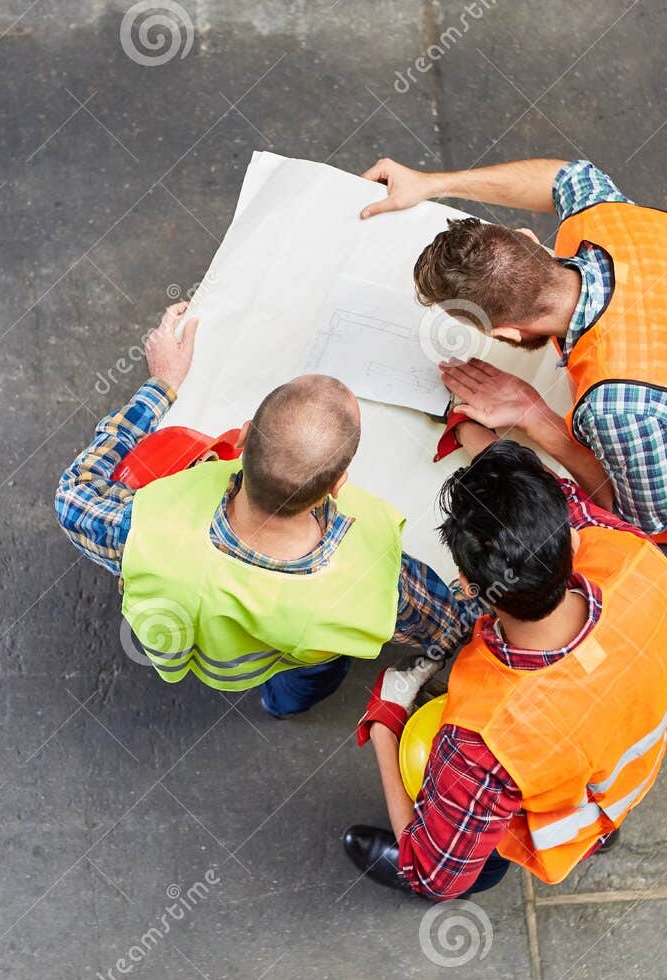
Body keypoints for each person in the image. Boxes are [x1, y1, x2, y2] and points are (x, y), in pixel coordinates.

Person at [359, 156, 667, 652]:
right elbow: (565, 177)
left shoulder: (618, 408)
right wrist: (433, 183)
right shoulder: (617, 226)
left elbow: (639, 522)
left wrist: (533, 414)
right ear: (527, 239)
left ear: (508, 334)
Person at [55, 302, 476, 716]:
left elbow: (74, 494)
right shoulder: (375, 574)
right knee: (305, 681)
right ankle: (280, 705)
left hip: (205, 656)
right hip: (297, 659)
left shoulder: (141, 530)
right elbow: (450, 625)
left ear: (241, 438)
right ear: (338, 484)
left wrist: (162, 384)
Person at [343, 434, 667, 899]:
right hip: (624, 767)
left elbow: (435, 875)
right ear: (571, 539)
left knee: (460, 862)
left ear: (468, 585)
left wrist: (386, 725)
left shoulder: (484, 741)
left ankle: (481, 867)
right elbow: (568, 501)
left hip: (543, 813)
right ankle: (596, 834)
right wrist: (487, 446)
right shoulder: (632, 557)